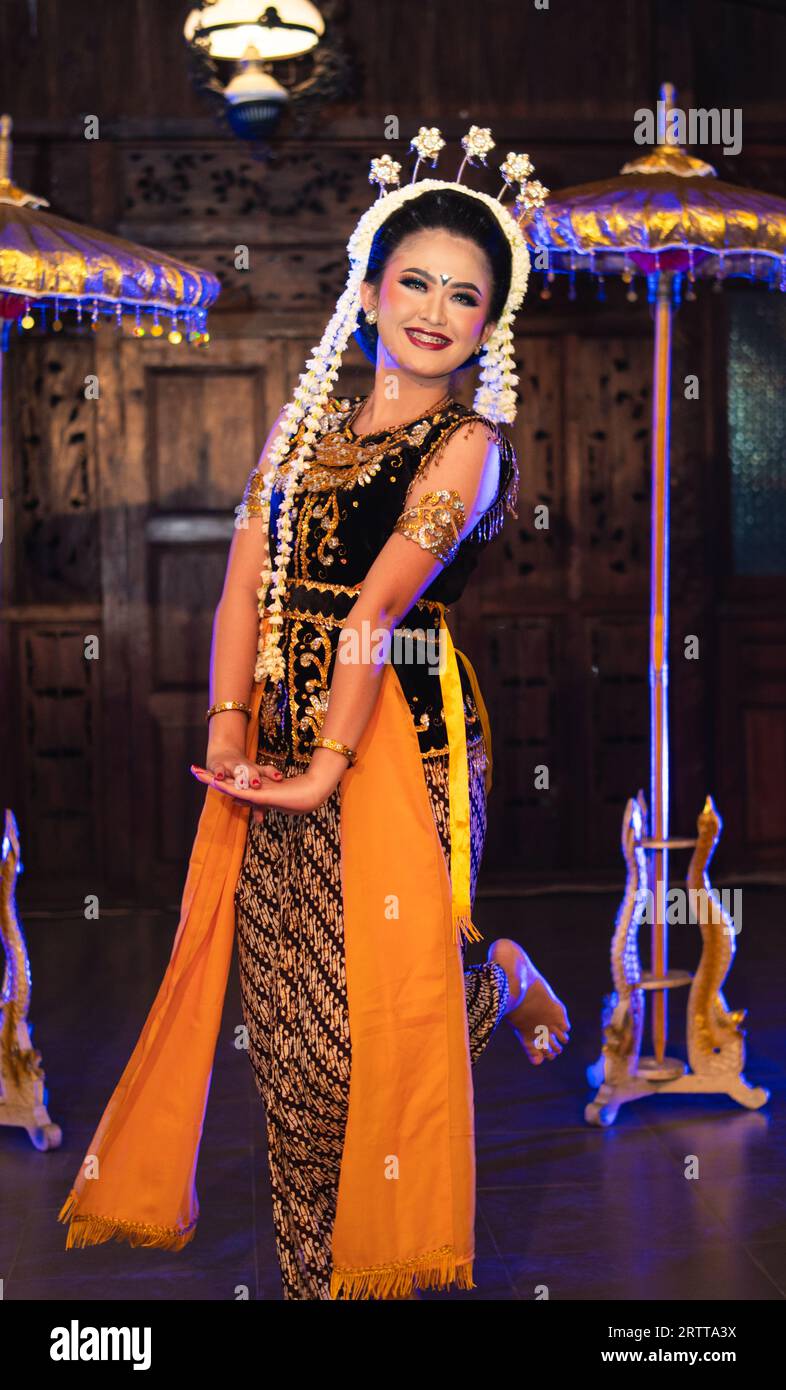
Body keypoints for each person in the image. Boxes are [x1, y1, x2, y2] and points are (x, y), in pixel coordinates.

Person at [58, 125, 569, 1302]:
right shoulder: (304, 439)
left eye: (466, 296)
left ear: (488, 323)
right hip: (281, 727)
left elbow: (376, 610)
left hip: (401, 732)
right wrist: (228, 731)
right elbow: (241, 587)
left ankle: (486, 975)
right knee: (290, 1036)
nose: (436, 312)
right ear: (372, 290)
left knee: (372, 1019)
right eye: (417, 284)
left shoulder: (469, 447)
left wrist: (324, 764)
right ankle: (314, 1284)